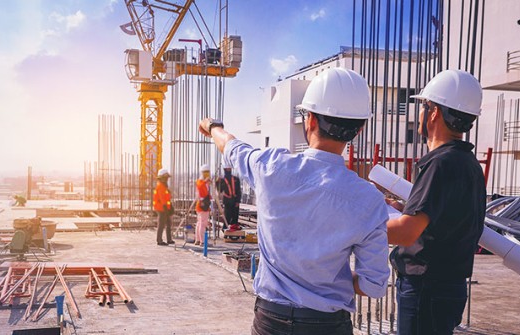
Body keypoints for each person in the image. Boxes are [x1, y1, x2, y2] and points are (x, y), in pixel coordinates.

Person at [198, 68, 392, 335]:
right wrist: (328, 280)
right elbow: (373, 285)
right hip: (328, 325)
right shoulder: (369, 200)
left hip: (270, 321)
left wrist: (213, 127)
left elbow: (231, 146)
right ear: (358, 130)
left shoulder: (271, 167)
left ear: (309, 120)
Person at [385, 70, 486, 335]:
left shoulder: (439, 164)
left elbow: (407, 233)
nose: (420, 113)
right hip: (447, 286)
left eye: (423, 106)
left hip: (426, 287)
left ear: (435, 112)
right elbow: (444, 221)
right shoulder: (467, 163)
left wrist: (355, 227)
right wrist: (400, 210)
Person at [153, 169, 174, 245]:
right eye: (165, 178)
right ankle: (159, 240)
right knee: (161, 224)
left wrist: (170, 206)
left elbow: (167, 198)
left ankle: (169, 239)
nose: (166, 179)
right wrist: (165, 207)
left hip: (165, 208)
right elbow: (162, 198)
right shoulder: (161, 186)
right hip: (161, 208)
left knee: (168, 223)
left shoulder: (164, 186)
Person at [193, 165, 213, 243]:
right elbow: (201, 188)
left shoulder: (204, 183)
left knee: (200, 223)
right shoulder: (200, 182)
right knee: (202, 223)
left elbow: (206, 193)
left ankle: (198, 239)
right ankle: (202, 241)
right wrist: (206, 182)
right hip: (202, 205)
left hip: (203, 204)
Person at [219, 165, 242, 231]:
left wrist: (238, 201)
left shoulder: (236, 179)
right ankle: (225, 228)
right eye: (227, 167)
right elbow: (219, 191)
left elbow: (238, 191)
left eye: (229, 167)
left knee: (235, 216)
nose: (229, 168)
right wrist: (217, 183)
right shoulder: (222, 180)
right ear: (224, 168)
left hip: (235, 200)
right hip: (227, 201)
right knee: (227, 216)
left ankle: (234, 229)